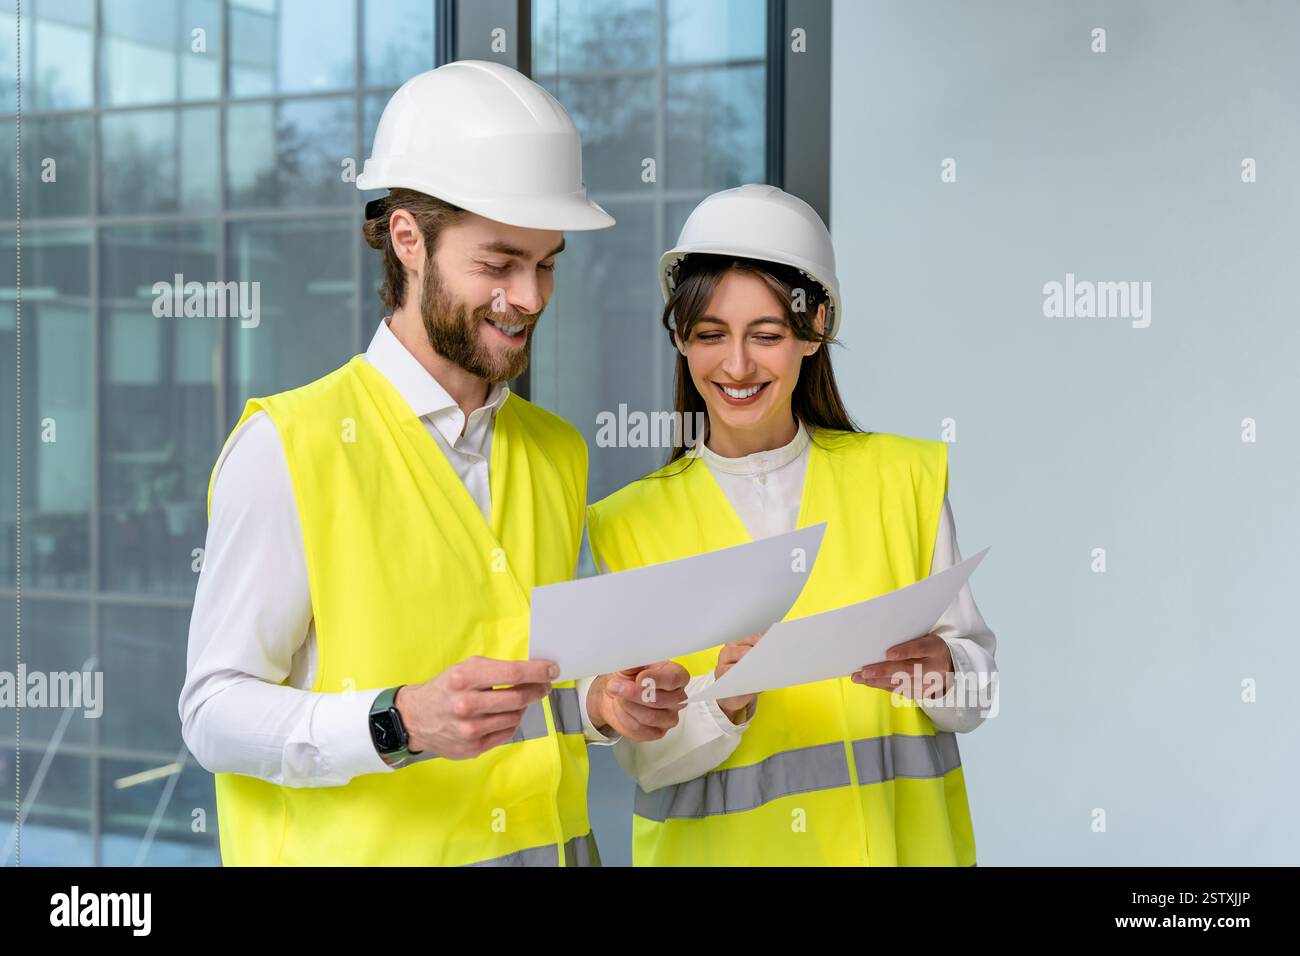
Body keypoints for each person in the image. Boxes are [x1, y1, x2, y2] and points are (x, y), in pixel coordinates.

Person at [179, 61, 687, 867]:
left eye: (547, 262)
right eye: (497, 263)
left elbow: (514, 696)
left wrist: (597, 704)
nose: (529, 296)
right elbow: (211, 713)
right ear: (408, 239)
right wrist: (397, 721)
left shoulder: (555, 452)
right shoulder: (291, 446)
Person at [585, 184, 999, 866]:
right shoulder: (632, 524)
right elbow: (646, 760)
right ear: (682, 339)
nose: (738, 365)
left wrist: (944, 671)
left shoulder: (900, 480)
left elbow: (980, 690)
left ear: (817, 328)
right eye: (710, 334)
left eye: (767, 335)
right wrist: (726, 702)